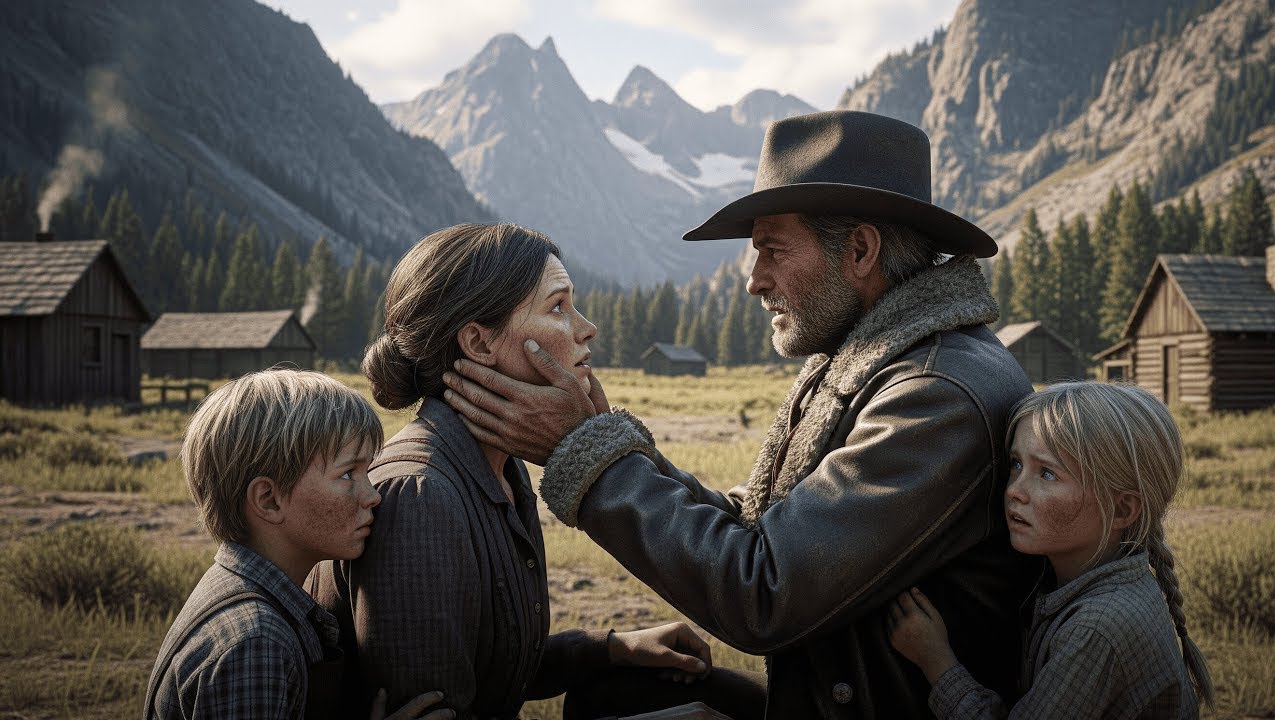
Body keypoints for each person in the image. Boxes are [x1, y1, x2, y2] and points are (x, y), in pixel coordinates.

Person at [441, 110, 1038, 718]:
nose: (755, 281)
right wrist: (609, 448)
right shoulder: (873, 362)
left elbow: (765, 590)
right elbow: (760, 529)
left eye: (772, 251)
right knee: (617, 690)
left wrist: (588, 457)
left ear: (860, 249)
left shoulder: (934, 395)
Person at [308, 223, 751, 720]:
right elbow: (435, 703)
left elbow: (493, 659)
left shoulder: (503, 469)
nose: (587, 328)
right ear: (478, 343)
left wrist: (610, 648)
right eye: (558, 306)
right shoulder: (420, 497)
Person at [888, 381, 1213, 719]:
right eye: (1016, 464)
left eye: (1047, 473)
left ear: (1121, 510)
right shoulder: (1072, 581)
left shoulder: (1098, 628)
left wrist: (936, 661)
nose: (1015, 490)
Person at [145, 369, 451, 720]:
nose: (372, 496)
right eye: (348, 474)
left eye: (369, 471)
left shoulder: (244, 595)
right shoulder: (256, 645)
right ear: (269, 500)